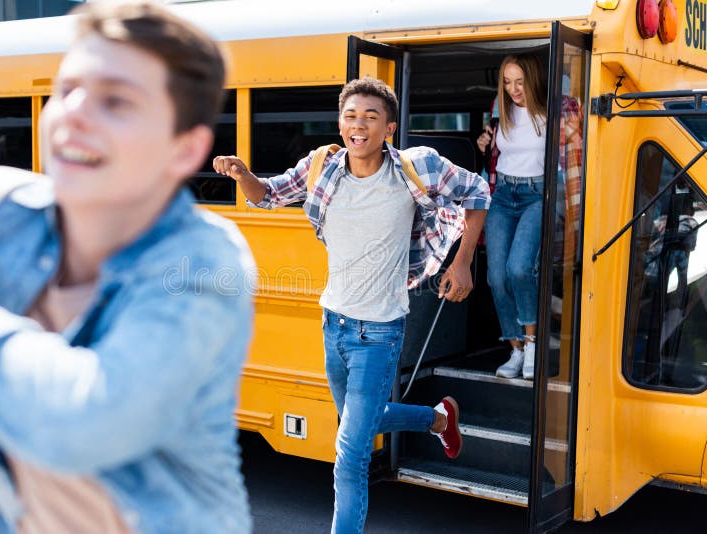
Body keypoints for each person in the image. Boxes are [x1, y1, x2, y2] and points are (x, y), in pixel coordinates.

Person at [0, 2, 254, 533]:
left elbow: (90, 421)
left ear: (185, 149)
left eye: (116, 101)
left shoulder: (207, 261)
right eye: (67, 88)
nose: (74, 111)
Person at [214, 76, 490, 534]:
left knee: (350, 453)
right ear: (340, 123)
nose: (358, 125)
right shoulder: (322, 165)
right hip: (334, 324)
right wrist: (243, 174)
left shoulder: (417, 168)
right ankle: (440, 419)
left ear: (389, 128)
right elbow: (268, 195)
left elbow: (478, 192)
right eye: (350, 116)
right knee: (367, 419)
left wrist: (462, 264)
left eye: (371, 117)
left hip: (380, 332)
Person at [476, 54, 547, 380]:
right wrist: (483, 143)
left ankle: (532, 343)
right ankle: (516, 349)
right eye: (507, 82)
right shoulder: (498, 109)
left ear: (531, 79)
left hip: (536, 195)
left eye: (519, 81)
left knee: (519, 269)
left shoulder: (551, 112)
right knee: (496, 277)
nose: (513, 89)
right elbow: (493, 150)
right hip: (502, 195)